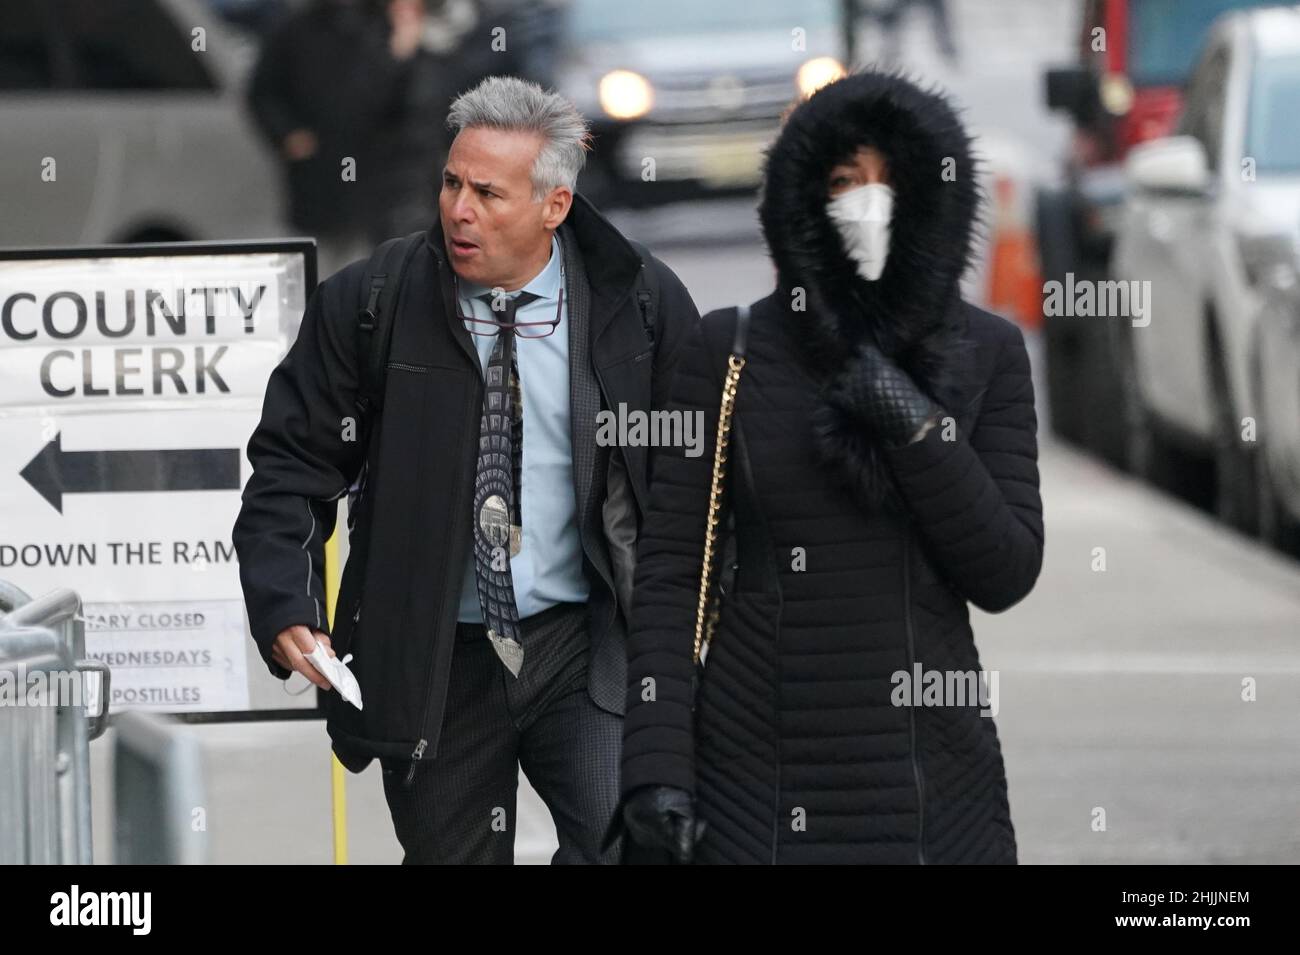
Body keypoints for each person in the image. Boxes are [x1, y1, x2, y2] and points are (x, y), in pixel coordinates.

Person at [233, 75, 701, 863]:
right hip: (435, 663)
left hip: (582, 646)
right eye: (452, 182)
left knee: (634, 847)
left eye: (488, 192)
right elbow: (292, 463)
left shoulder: (637, 301)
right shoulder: (372, 301)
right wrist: (287, 600)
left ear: (553, 206)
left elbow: (697, 475)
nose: (458, 208)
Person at [611, 70, 1044, 864]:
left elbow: (1006, 569)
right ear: (803, 198)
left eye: (890, 181)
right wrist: (654, 770)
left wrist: (911, 421)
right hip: (755, 783)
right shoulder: (728, 349)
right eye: (844, 181)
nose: (867, 202)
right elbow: (673, 575)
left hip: (933, 784)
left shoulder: (988, 352)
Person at [246, 0, 451, 277]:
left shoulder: (393, 31)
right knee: (317, 267)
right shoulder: (298, 29)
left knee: (379, 268)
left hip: (387, 180)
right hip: (320, 174)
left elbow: (414, 107)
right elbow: (264, 91)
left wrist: (403, 55)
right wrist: (287, 134)